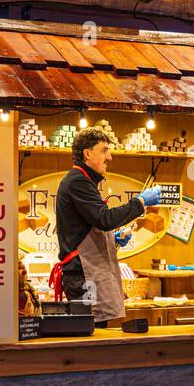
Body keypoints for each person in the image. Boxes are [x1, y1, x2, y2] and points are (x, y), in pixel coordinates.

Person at [53, 127, 161, 325]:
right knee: (90, 339)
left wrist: (113, 237)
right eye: (104, 150)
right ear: (87, 153)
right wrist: (141, 202)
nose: (109, 157)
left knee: (96, 333)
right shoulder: (77, 181)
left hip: (87, 276)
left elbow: (89, 226)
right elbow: (104, 219)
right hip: (83, 277)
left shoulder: (84, 181)